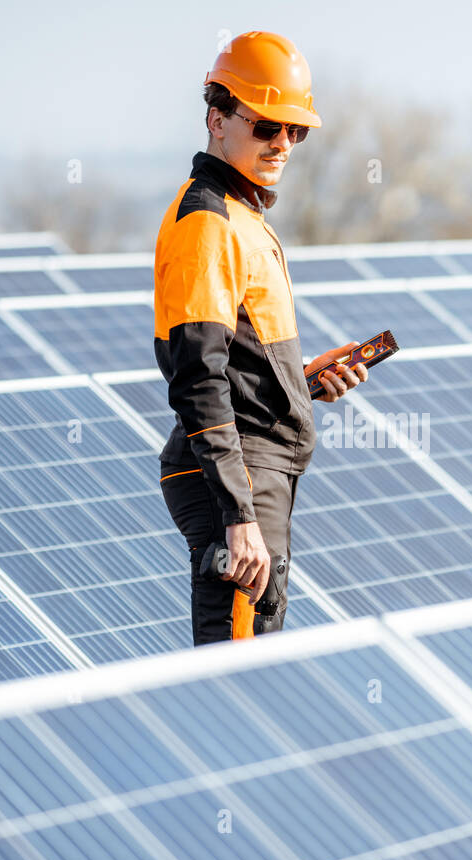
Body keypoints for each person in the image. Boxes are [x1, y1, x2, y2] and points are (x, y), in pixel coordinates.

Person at [154, 30, 367, 645]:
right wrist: (237, 515)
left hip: (255, 467)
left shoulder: (243, 218)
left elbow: (239, 363)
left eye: (294, 131)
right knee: (238, 669)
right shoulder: (208, 223)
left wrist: (301, 386)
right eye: (266, 126)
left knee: (256, 652)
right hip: (237, 475)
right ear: (217, 120)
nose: (282, 143)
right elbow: (197, 375)